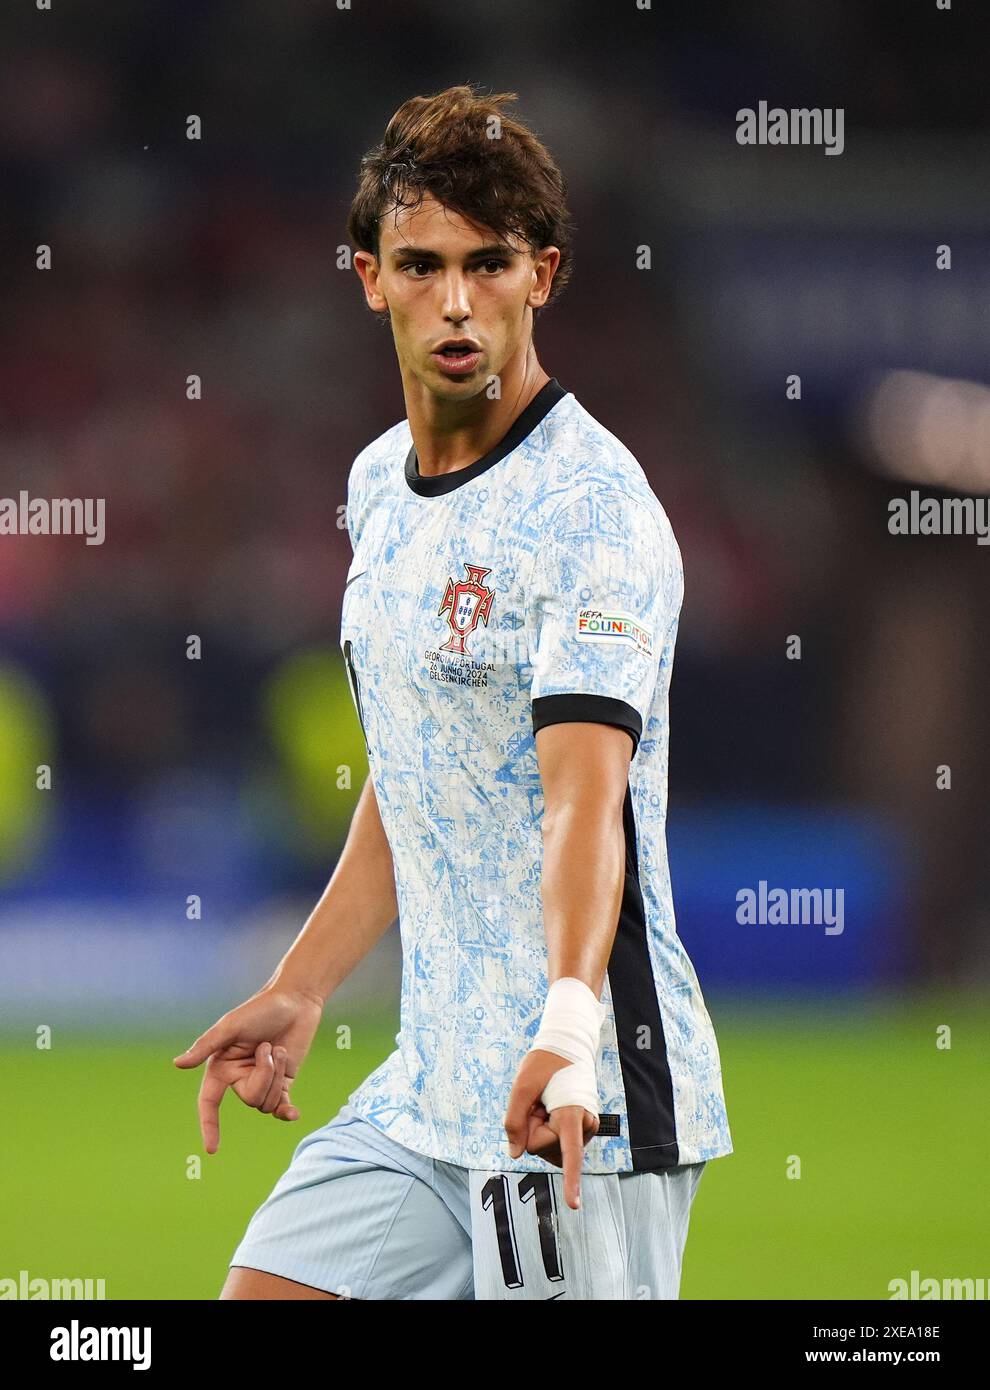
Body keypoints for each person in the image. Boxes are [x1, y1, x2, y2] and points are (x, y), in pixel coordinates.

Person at [174, 83, 732, 1301]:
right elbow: (423, 764)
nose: (459, 301)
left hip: (578, 1096)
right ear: (369, 276)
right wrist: (303, 983)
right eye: (422, 266)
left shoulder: (592, 512)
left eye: (491, 265)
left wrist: (572, 1025)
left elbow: (585, 800)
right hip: (428, 1088)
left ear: (545, 274)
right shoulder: (378, 484)